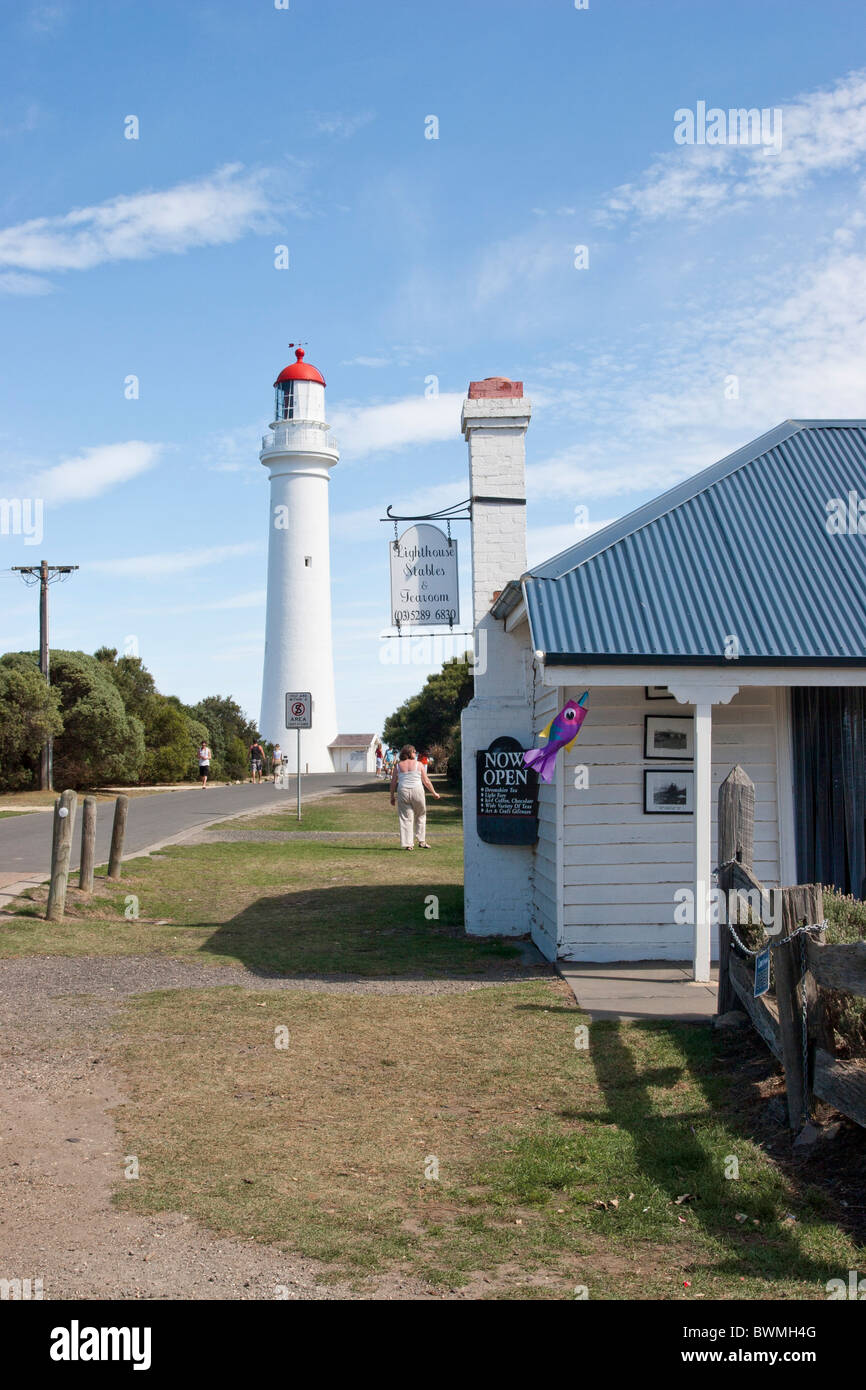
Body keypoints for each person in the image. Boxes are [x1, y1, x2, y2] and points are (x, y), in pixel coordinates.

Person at [390, 743, 440, 849]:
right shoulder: (419, 764)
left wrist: (392, 796)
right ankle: (421, 841)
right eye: (413, 751)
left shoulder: (398, 766)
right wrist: (434, 793)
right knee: (421, 815)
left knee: (405, 818)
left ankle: (408, 844)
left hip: (403, 791)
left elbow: (393, 782)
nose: (415, 753)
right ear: (409, 753)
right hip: (417, 790)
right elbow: (426, 781)